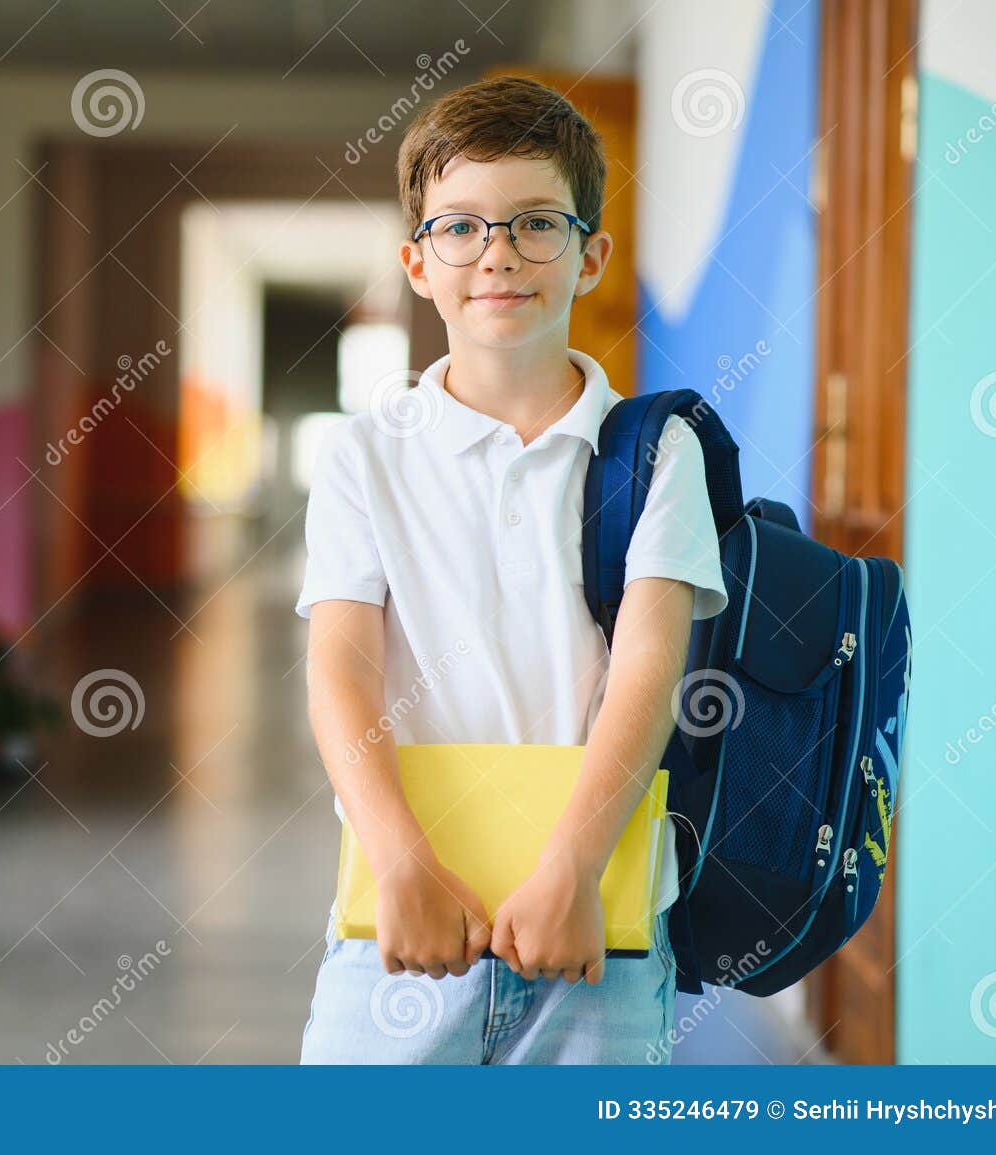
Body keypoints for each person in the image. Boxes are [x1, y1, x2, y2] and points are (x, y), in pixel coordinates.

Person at [295, 75, 727, 1064]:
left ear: (590, 256)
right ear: (416, 261)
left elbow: (647, 676)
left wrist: (571, 866)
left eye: (537, 223)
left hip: (595, 922)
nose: (497, 255)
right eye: (461, 228)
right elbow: (341, 673)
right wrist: (399, 859)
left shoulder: (656, 451)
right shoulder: (367, 454)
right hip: (398, 920)